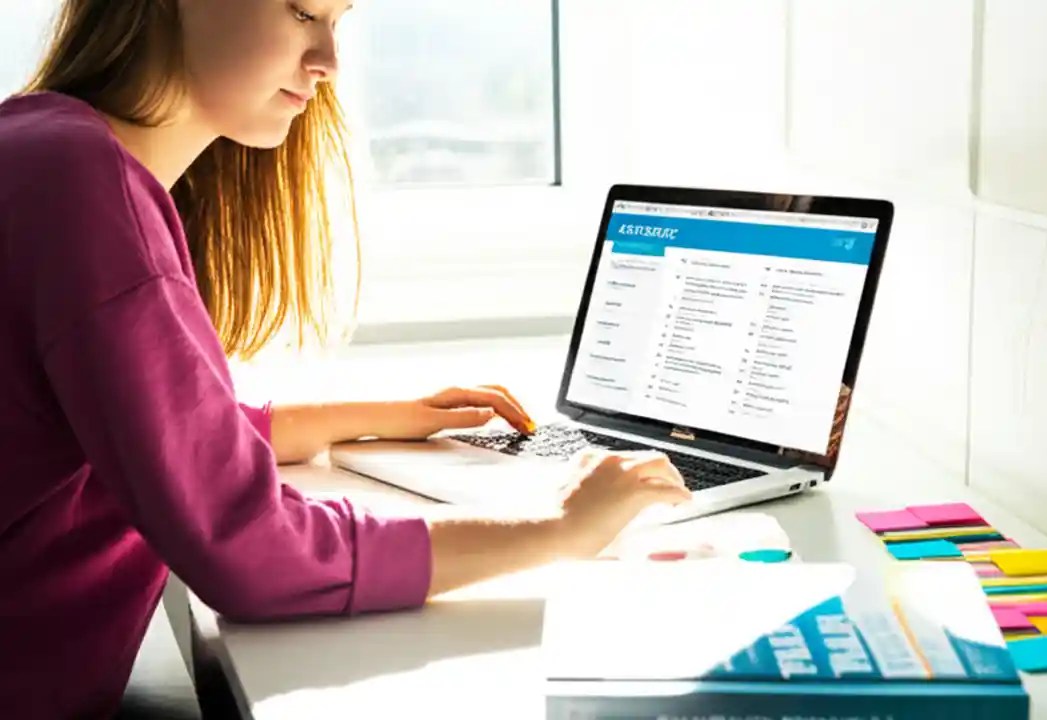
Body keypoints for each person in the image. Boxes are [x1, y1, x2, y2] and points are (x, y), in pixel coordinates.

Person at [0, 1, 691, 717]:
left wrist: (373, 418)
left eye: (339, 20)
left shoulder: (42, 144)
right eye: (304, 12)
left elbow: (152, 428)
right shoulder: (84, 191)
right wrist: (559, 531)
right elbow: (249, 554)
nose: (329, 61)